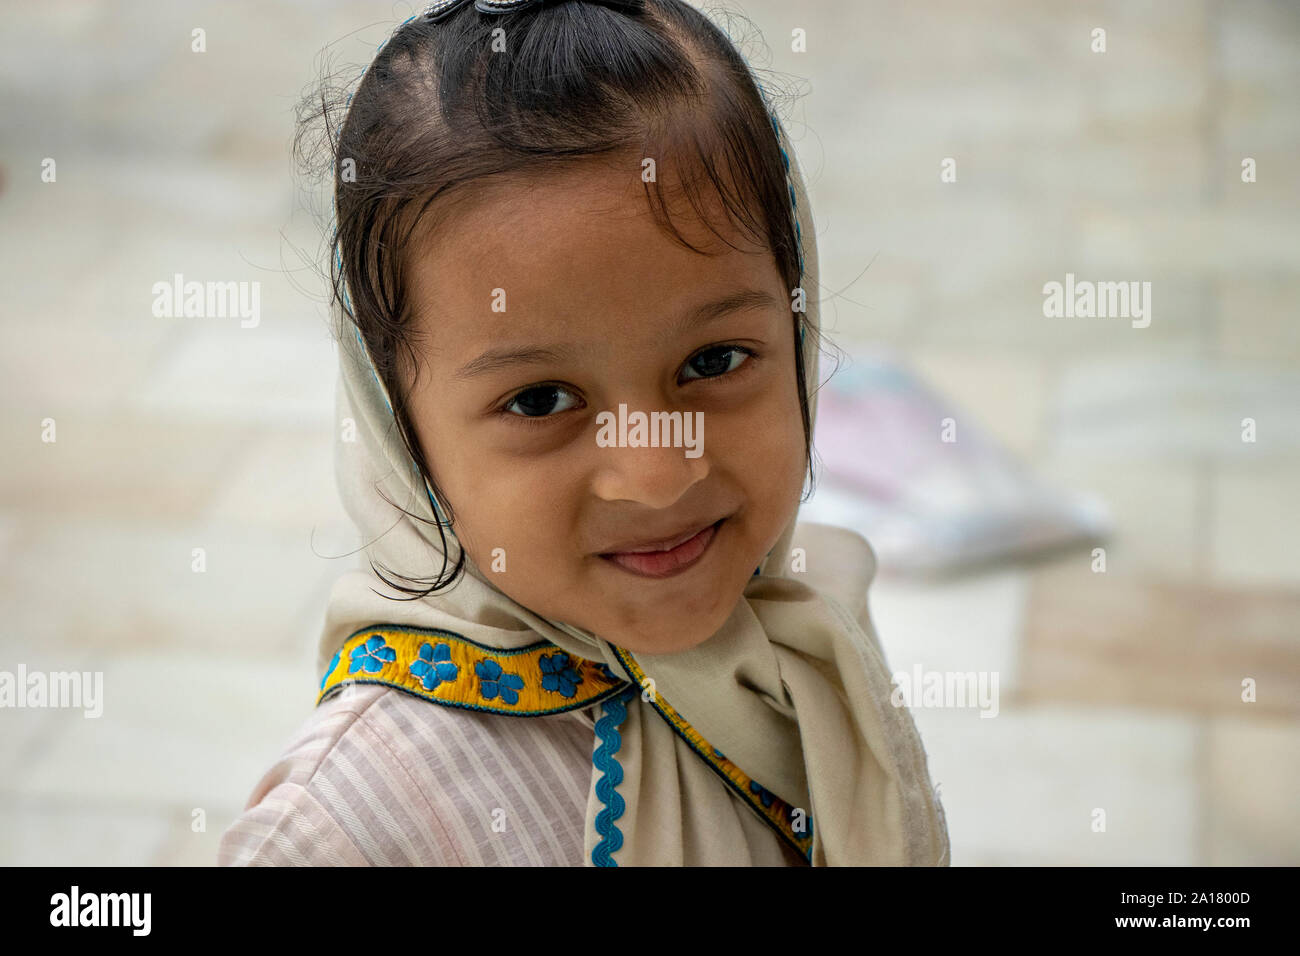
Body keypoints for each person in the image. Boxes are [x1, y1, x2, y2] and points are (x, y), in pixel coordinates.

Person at [219, 0, 949, 866]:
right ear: (395, 429)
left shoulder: (811, 647)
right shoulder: (358, 825)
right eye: (539, 402)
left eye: (714, 359)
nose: (657, 474)